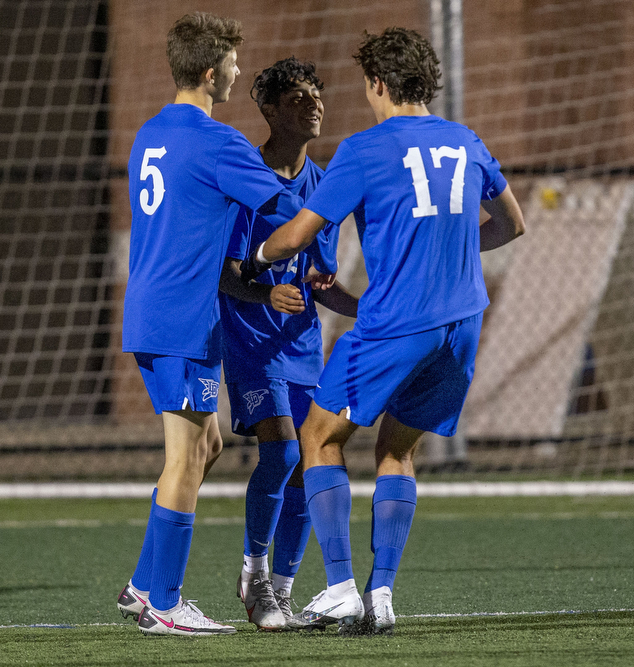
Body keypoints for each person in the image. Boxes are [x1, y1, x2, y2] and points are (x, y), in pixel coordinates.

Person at [241, 27, 526, 634]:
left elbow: (295, 235)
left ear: (376, 82)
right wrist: (447, 254)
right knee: (397, 450)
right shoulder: (466, 140)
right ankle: (383, 596)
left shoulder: (365, 148)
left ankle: (341, 585)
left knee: (318, 436)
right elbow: (511, 224)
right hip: (463, 325)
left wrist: (256, 260)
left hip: (397, 323)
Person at [115, 12, 305, 636]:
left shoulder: (150, 133)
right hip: (184, 320)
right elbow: (287, 205)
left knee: (209, 443)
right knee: (187, 456)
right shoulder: (216, 141)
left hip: (150, 310)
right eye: (231, 62)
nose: (238, 71)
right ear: (207, 70)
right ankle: (163, 605)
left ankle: (143, 586)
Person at [218, 57, 359, 632]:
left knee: (312, 460)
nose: (314, 106)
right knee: (282, 452)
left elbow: (319, 281)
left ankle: (281, 589)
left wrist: (367, 308)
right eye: (299, 98)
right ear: (270, 110)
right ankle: (253, 575)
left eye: (316, 96)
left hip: (303, 348)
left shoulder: (322, 185)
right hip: (252, 341)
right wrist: (263, 295)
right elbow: (224, 274)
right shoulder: (243, 180)